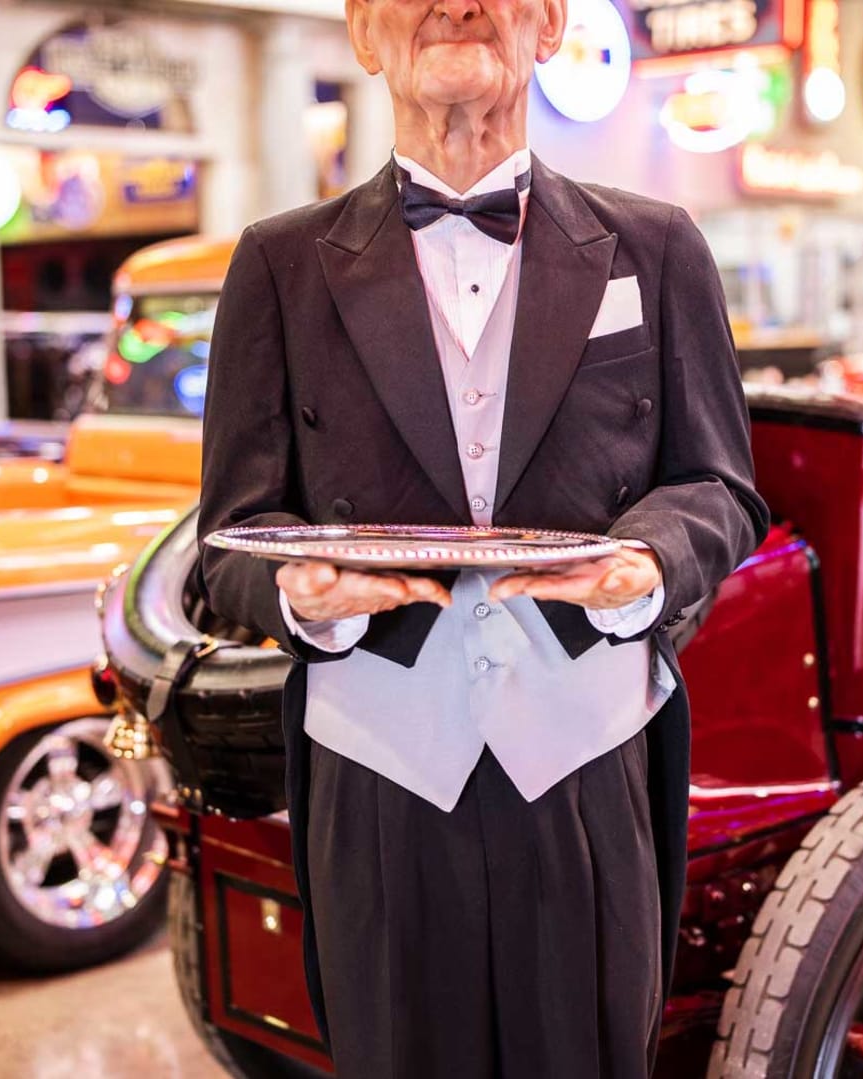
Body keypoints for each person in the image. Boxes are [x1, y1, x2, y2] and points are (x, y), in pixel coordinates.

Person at [195, 0, 767, 1072]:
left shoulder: (658, 247)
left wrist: (650, 559)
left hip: (585, 753)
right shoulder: (279, 264)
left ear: (548, 25)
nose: (455, 4)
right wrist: (301, 596)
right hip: (381, 764)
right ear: (362, 32)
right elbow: (229, 533)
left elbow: (721, 484)